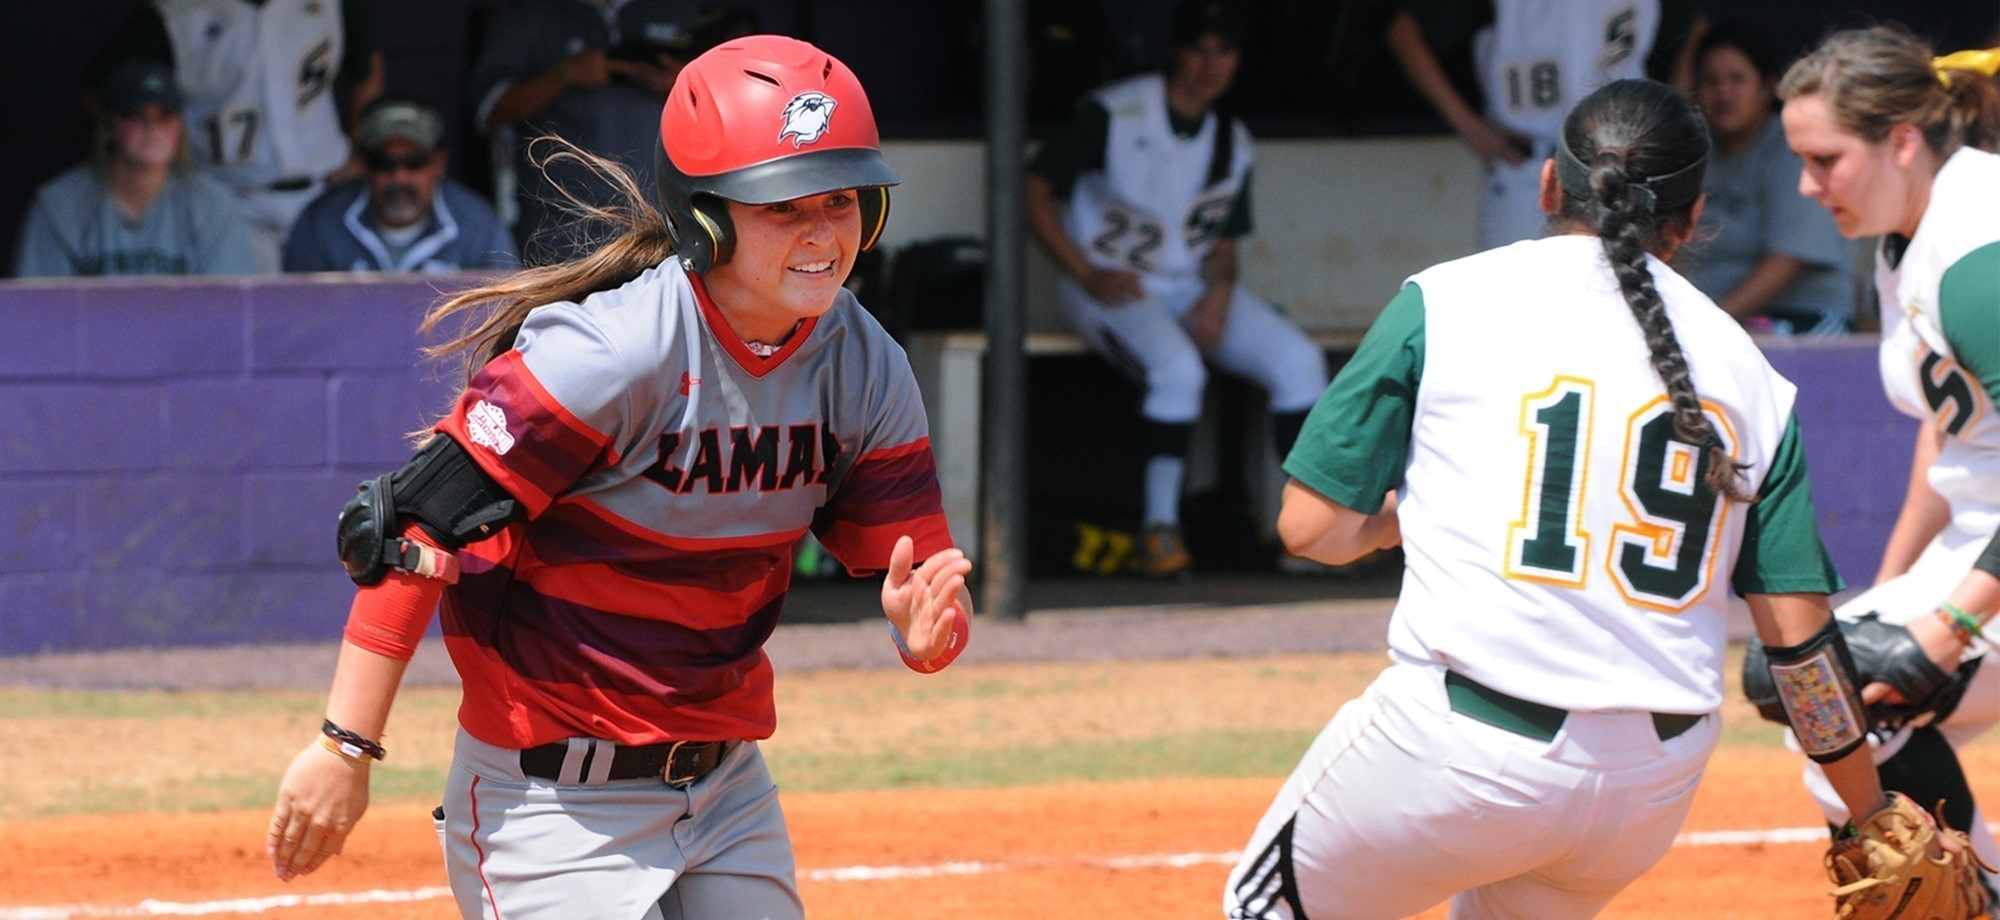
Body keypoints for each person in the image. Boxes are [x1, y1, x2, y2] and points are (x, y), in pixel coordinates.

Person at [263, 35, 974, 918]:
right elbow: (412, 524)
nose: (822, 232)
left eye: (840, 201)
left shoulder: (863, 364)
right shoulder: (615, 353)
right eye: (783, 207)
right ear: (707, 214)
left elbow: (929, 589)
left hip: (726, 791)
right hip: (552, 802)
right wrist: (344, 745)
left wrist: (926, 636)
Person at [1223, 79, 1897, 919]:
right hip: (1650, 789)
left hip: (1463, 750)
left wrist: (1401, 521)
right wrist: (1868, 813)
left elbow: (1311, 529)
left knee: (1261, 910)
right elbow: (1802, 654)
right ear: (1689, 222)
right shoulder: (1750, 372)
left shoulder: (1445, 299)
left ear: (1550, 185)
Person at [1772, 23, 2000, 876]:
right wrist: (1892, 597)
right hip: (1981, 542)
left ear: (1901, 141)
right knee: (1820, 688)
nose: (1806, 183)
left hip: (1995, 564)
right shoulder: (1907, 227)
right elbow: (1947, 431)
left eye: (1825, 158)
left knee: (1851, 705)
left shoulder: (1978, 251)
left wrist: (1950, 625)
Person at [1025, 0, 1330, 577]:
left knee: (1299, 361)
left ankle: (1308, 531)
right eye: (1199, 49)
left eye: (1224, 52)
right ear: (1176, 52)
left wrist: (1219, 292)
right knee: (1179, 370)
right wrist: (1084, 271)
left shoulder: (1231, 140)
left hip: (1187, 286)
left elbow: (1222, 245)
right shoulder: (1116, 111)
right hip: (1107, 286)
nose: (1210, 65)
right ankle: (1159, 531)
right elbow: (1034, 190)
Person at [1383, 0, 1702, 250]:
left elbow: (1695, 27)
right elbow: (1403, 30)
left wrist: (1669, 115)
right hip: (1527, 163)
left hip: (1624, 164)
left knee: (1618, 305)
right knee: (1517, 311)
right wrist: (1469, 126)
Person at [94, 0, 385, 272]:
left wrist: (360, 149)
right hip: (230, 201)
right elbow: (101, 92)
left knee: (333, 316)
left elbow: (367, 69)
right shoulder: (174, 12)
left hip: (322, 191)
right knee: (249, 320)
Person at [470, 0, 699, 264]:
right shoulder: (531, 14)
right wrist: (564, 73)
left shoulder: (674, 9)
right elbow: (488, 112)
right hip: (563, 232)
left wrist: (682, 83)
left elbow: (729, 106)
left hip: (660, 227)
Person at [1679, 21, 1854, 335]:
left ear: (1767, 86)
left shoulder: (1794, 148)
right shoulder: (1695, 152)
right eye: (1710, 80)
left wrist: (1710, 326)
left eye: (1737, 79)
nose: (1723, 92)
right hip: (1718, 323)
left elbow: (1786, 262)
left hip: (1802, 318)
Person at [14, 59, 256, 277]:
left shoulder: (213, 206)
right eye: (137, 116)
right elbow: (39, 313)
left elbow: (230, 312)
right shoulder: (59, 206)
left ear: (180, 127)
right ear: (110, 128)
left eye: (165, 116)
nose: (153, 128)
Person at [283, 98, 520, 274]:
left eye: (414, 162)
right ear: (365, 165)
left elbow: (504, 317)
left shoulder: (479, 228)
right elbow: (297, 321)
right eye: (384, 163)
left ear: (439, 162)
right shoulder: (321, 224)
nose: (399, 177)